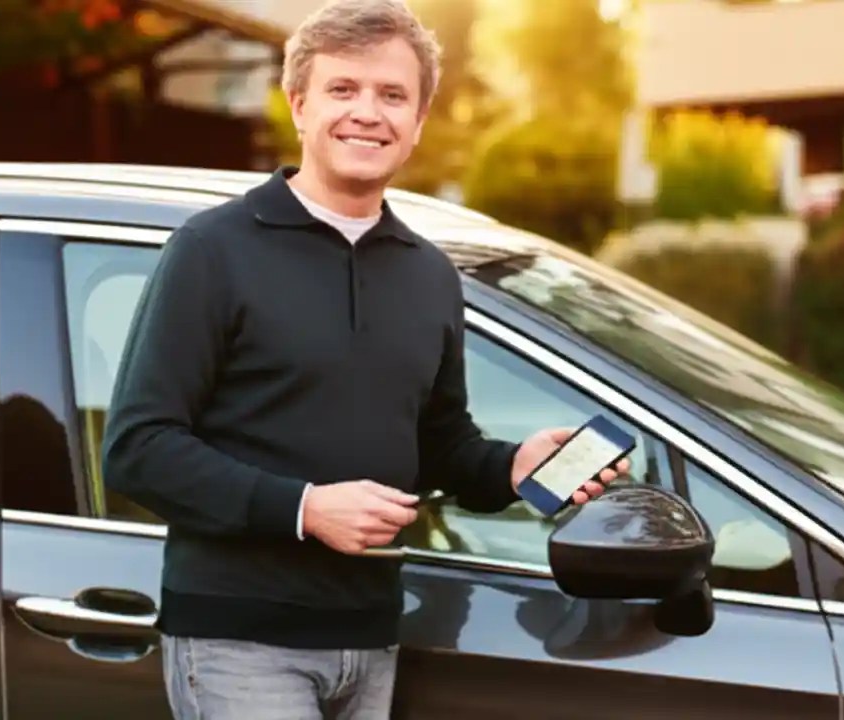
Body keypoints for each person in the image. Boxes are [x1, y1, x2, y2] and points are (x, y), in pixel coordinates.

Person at [101, 1, 627, 717]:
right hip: (241, 643)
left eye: (392, 95)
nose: (367, 114)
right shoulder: (213, 251)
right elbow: (138, 450)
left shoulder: (429, 274)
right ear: (299, 105)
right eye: (343, 90)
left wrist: (511, 467)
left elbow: (438, 445)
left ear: (417, 122)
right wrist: (305, 509)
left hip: (372, 637)